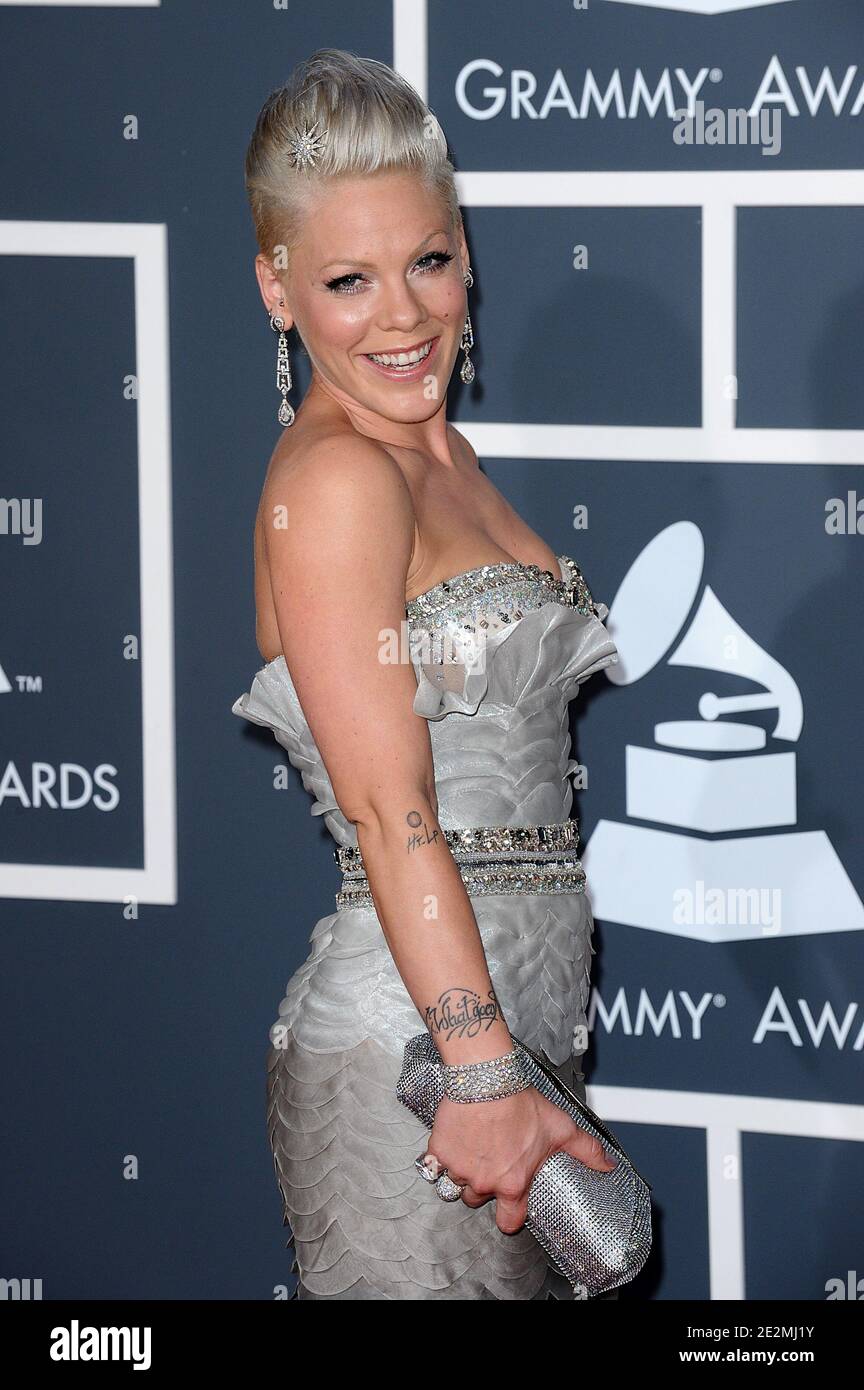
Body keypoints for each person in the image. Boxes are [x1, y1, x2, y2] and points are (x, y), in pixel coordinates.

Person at [233, 48, 621, 1300]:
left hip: (514, 1033)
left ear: (466, 250)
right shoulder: (337, 480)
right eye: (348, 281)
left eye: (429, 262)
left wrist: (515, 1056)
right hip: (427, 1053)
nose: (403, 317)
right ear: (277, 289)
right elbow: (394, 816)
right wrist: (481, 1068)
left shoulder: (440, 454)